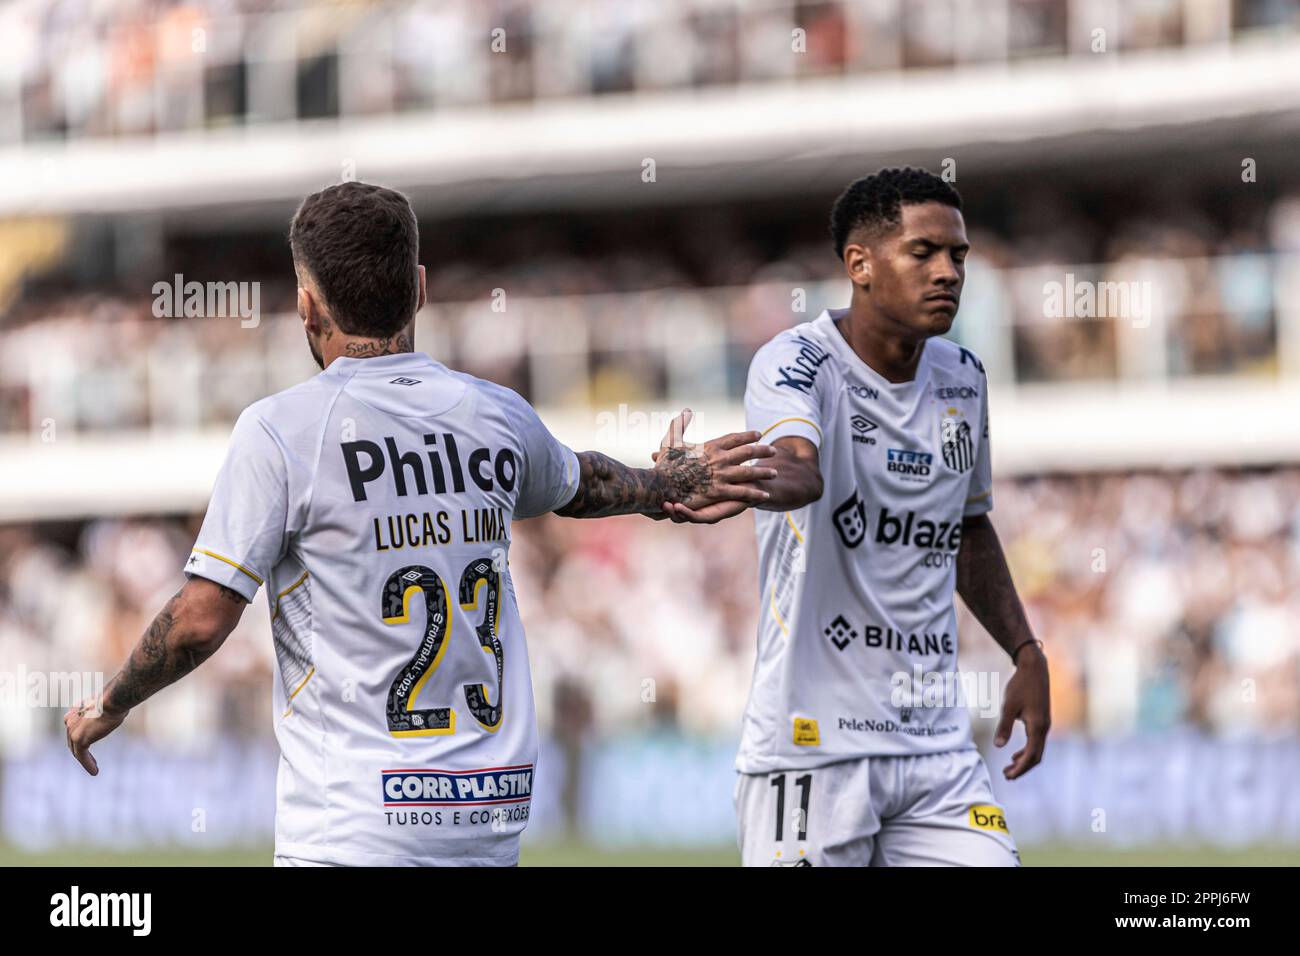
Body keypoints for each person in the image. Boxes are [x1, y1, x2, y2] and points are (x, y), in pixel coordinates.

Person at [63, 181, 776, 867]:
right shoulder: (495, 415)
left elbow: (199, 620)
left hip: (353, 829)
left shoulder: (281, 432)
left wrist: (112, 701)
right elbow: (580, 482)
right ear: (421, 289)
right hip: (483, 822)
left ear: (307, 307)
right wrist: (664, 484)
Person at [668, 167, 1051, 866]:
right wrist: (728, 476)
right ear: (860, 264)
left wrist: (1025, 651)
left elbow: (964, 525)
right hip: (812, 750)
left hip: (936, 748)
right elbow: (797, 466)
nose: (948, 273)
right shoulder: (798, 360)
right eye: (924, 253)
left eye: (958, 256)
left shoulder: (963, 375)